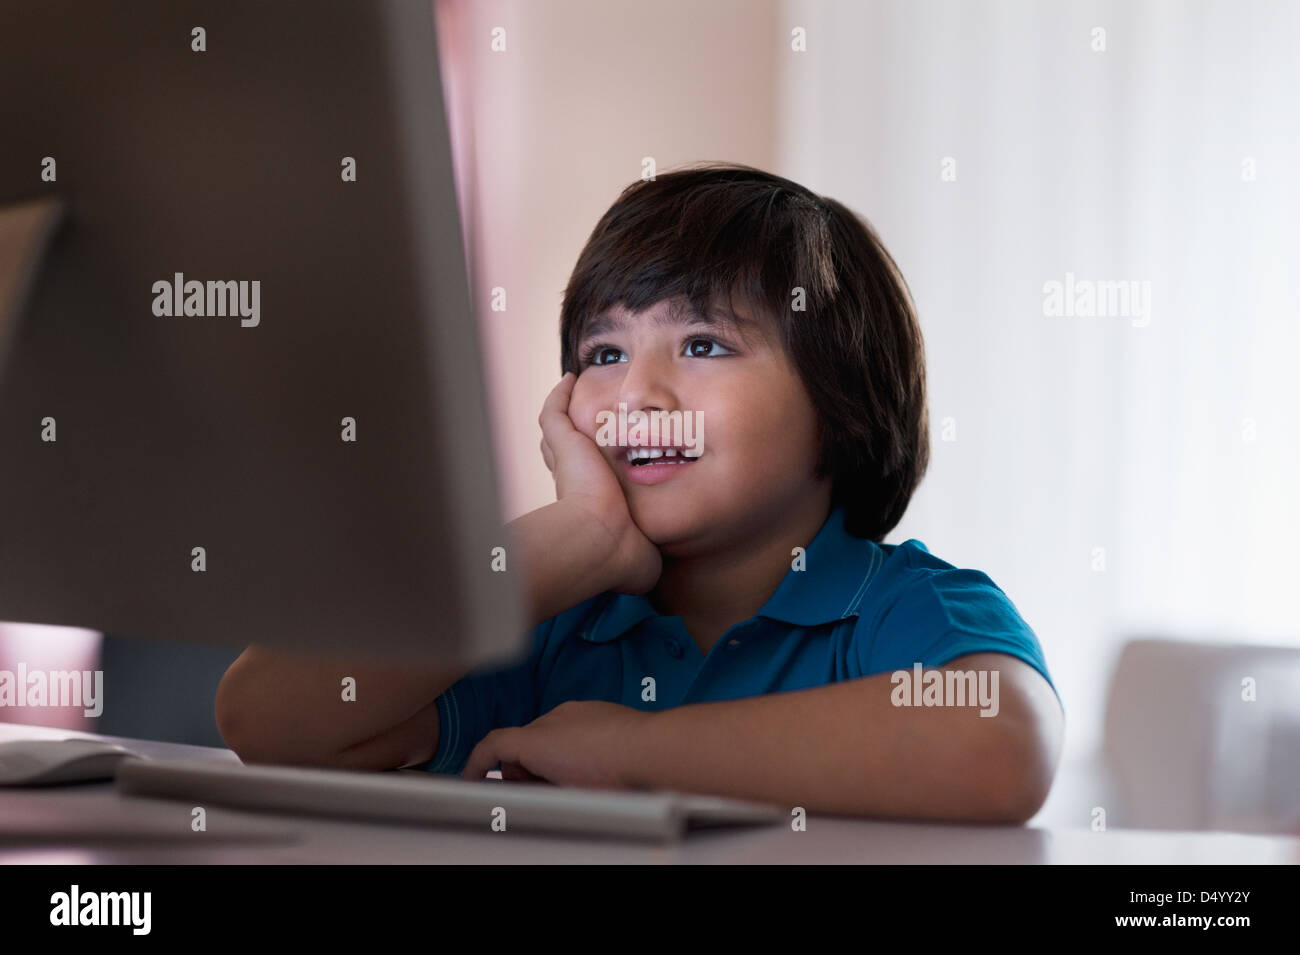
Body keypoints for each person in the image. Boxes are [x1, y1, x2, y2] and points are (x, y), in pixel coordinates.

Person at [215, 163, 1064, 823]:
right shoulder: (558, 628)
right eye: (605, 353)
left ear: (839, 400)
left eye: (702, 344)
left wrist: (635, 750)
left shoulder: (900, 605)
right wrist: (574, 536)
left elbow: (1002, 741)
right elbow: (268, 715)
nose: (635, 396)